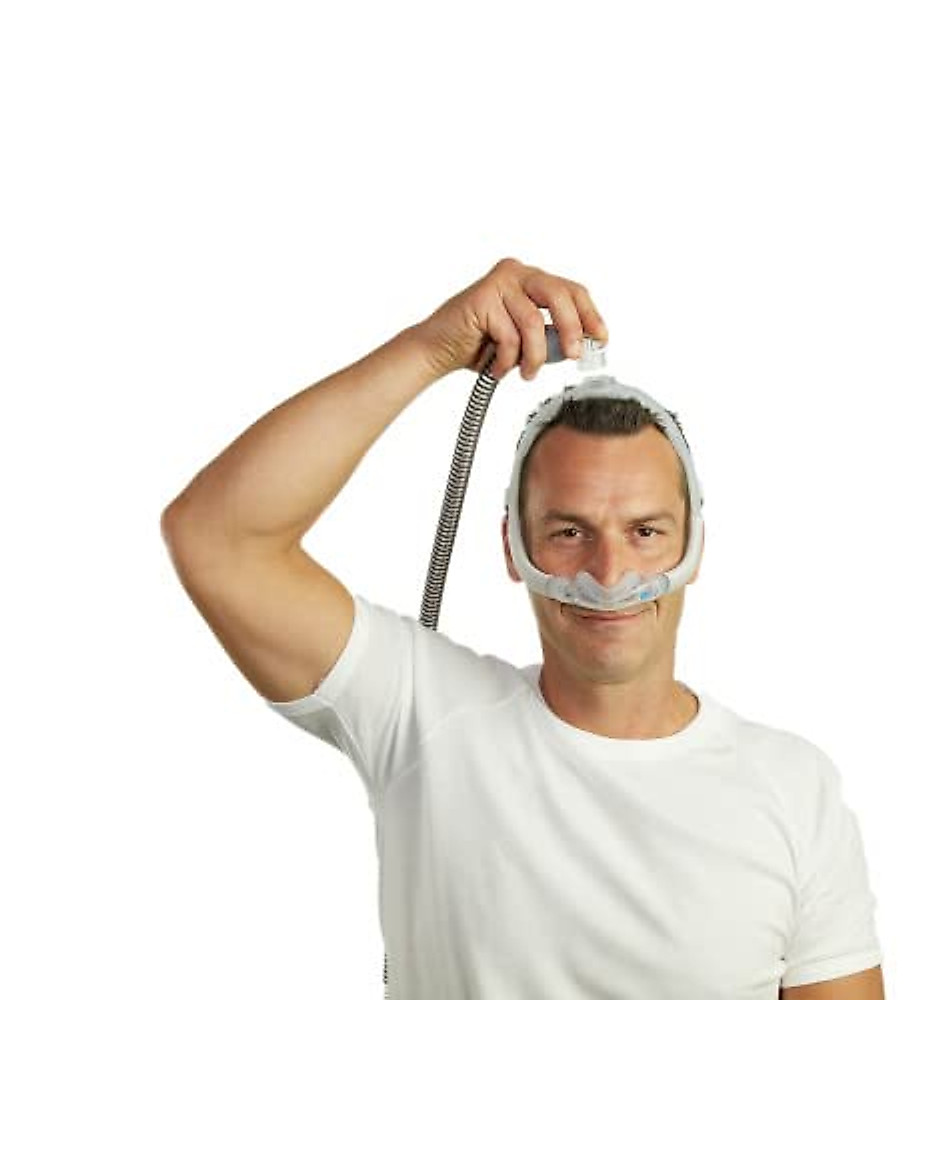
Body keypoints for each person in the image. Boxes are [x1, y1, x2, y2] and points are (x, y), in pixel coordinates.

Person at [161, 257, 886, 999]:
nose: (609, 575)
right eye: (569, 532)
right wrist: (431, 349)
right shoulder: (423, 717)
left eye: (645, 532)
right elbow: (217, 538)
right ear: (513, 547)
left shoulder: (793, 789)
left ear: (694, 546)